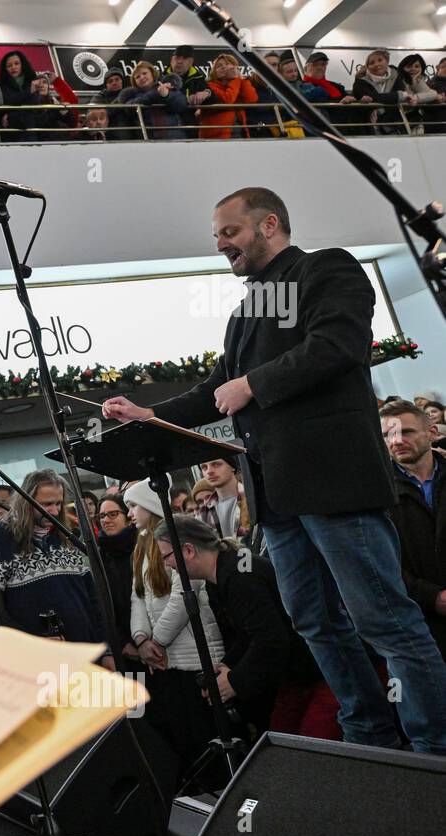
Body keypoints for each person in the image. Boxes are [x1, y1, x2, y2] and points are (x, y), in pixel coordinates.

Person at [102, 186, 446, 755]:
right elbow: (213, 392)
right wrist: (149, 414)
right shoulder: (246, 314)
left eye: (229, 231)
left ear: (268, 225)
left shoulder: (327, 269)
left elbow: (337, 345)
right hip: (279, 502)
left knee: (383, 620)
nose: (220, 244)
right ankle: (369, 734)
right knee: (314, 624)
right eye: (216, 236)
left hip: (335, 485)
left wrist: (254, 383)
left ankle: (434, 747)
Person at [154, 517, 341, 741]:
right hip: (298, 676)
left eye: (166, 556)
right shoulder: (226, 572)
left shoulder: (238, 577)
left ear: (188, 550)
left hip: (323, 673)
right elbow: (248, 634)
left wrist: (235, 682)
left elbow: (270, 639)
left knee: (308, 748)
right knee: (281, 744)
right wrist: (227, 665)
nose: (167, 565)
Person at [124, 481, 225, 773]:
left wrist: (157, 641)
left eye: (133, 506)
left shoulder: (177, 536)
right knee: (183, 736)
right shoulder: (141, 546)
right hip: (166, 660)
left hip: (194, 656)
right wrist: (142, 639)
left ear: (150, 506)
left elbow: (185, 595)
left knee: (205, 734)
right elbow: (137, 597)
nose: (130, 513)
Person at [0, 470, 107, 648]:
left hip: (85, 650)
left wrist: (105, 648)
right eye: (46, 504)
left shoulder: (69, 534)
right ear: (25, 501)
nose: (55, 511)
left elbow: (93, 597)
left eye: (59, 503)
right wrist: (31, 642)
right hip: (36, 659)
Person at [381, 400, 446, 657]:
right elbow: (380, 559)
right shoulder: (376, 495)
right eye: (388, 435)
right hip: (420, 623)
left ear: (431, 432)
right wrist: (433, 597)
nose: (396, 441)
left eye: (406, 432)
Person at [96, 493, 140, 667]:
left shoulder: (141, 546)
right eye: (102, 516)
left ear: (128, 516)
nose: (106, 520)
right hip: (122, 648)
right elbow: (102, 606)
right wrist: (122, 642)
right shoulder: (98, 555)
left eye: (112, 514)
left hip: (153, 641)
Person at [118, 61, 188, 140]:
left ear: (152, 73)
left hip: (174, 139)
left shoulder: (169, 88)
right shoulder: (132, 96)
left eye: (144, 73)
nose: (142, 77)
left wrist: (167, 95)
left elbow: (181, 104)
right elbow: (129, 108)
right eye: (137, 77)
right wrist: (156, 94)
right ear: (135, 82)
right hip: (148, 142)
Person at [352, 49, 412, 135]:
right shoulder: (360, 82)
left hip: (397, 125)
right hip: (369, 126)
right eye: (372, 63)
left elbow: (376, 98)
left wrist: (378, 100)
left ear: (387, 61)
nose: (376, 64)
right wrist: (397, 96)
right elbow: (372, 98)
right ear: (367, 67)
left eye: (380, 60)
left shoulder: (396, 75)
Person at [200, 54, 257, 139]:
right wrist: (236, 79)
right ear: (214, 72)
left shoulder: (239, 82)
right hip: (216, 136)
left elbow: (252, 99)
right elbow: (227, 99)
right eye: (219, 66)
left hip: (240, 132)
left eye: (227, 64)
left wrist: (240, 79)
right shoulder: (209, 86)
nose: (223, 67)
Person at [165, 44, 215, 138]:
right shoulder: (161, 78)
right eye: (177, 58)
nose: (179, 61)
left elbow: (214, 99)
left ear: (191, 62)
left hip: (190, 128)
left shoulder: (198, 79)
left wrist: (207, 93)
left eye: (184, 58)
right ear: (171, 60)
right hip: (167, 127)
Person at [198, 458, 249, 537]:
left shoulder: (251, 499)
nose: (209, 471)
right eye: (204, 467)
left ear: (233, 467)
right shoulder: (204, 512)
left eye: (216, 464)